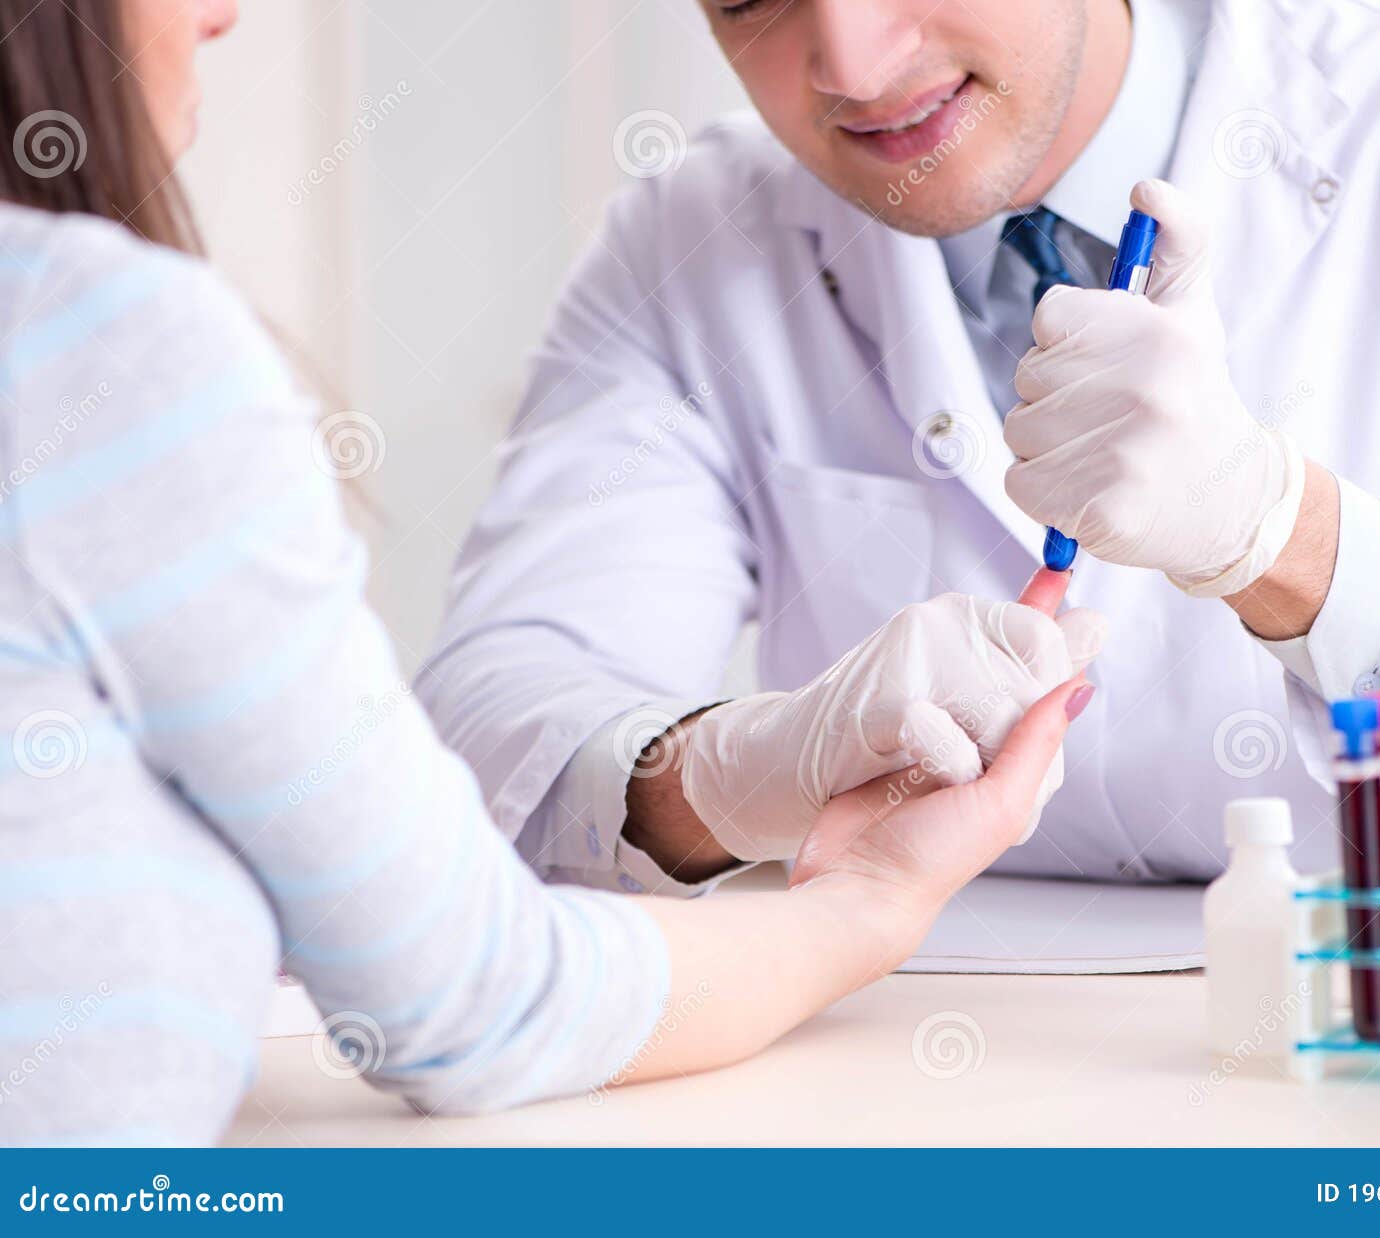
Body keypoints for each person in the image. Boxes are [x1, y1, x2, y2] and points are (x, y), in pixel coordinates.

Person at [0, 0, 1098, 1146]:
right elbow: (470, 960)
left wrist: (1293, 545)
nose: (850, 61)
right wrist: (752, 791)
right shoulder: (94, 349)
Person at [423, 0, 1380, 895]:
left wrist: (1282, 533)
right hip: (909, 1092)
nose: (850, 65)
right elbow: (488, 719)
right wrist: (726, 772)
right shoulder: (693, 233)